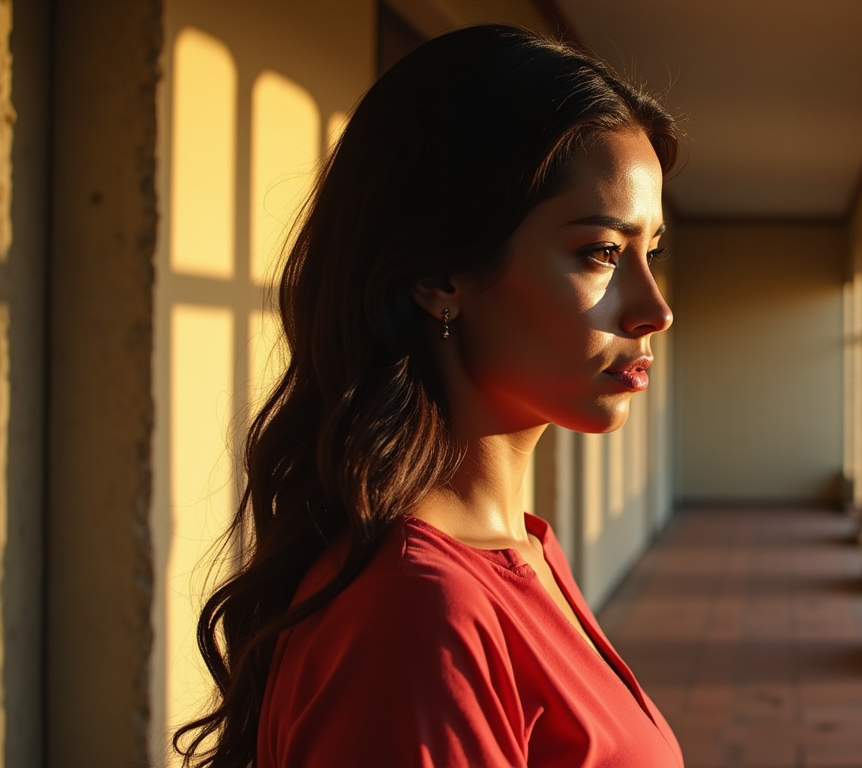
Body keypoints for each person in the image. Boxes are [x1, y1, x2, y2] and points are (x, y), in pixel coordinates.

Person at [174, 25, 683, 768]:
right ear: (441, 274)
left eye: (653, 251)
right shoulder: (416, 614)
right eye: (602, 253)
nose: (654, 309)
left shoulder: (520, 549)